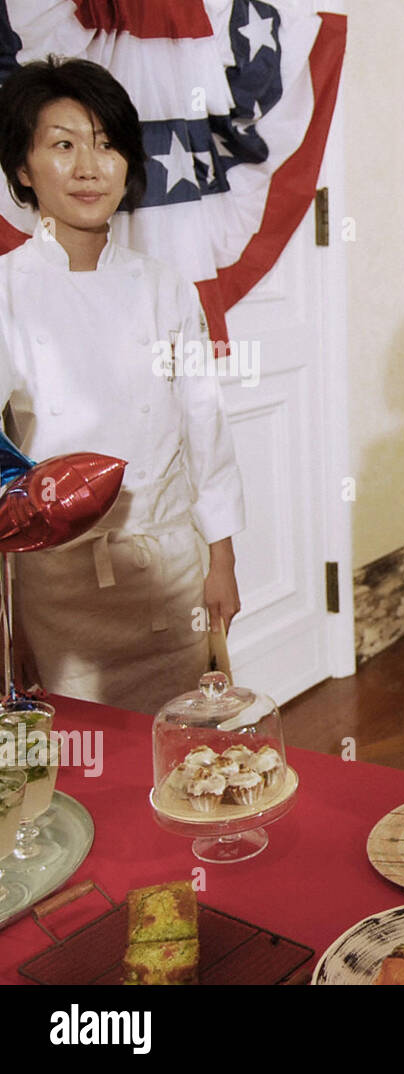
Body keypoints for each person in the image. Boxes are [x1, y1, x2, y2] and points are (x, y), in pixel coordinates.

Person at [0, 57, 244, 714]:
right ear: (24, 169)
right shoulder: (6, 291)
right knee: (82, 769)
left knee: (184, 749)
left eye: (107, 145)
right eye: (63, 145)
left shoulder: (164, 287)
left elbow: (204, 425)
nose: (89, 167)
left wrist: (219, 559)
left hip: (166, 569)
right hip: (56, 589)